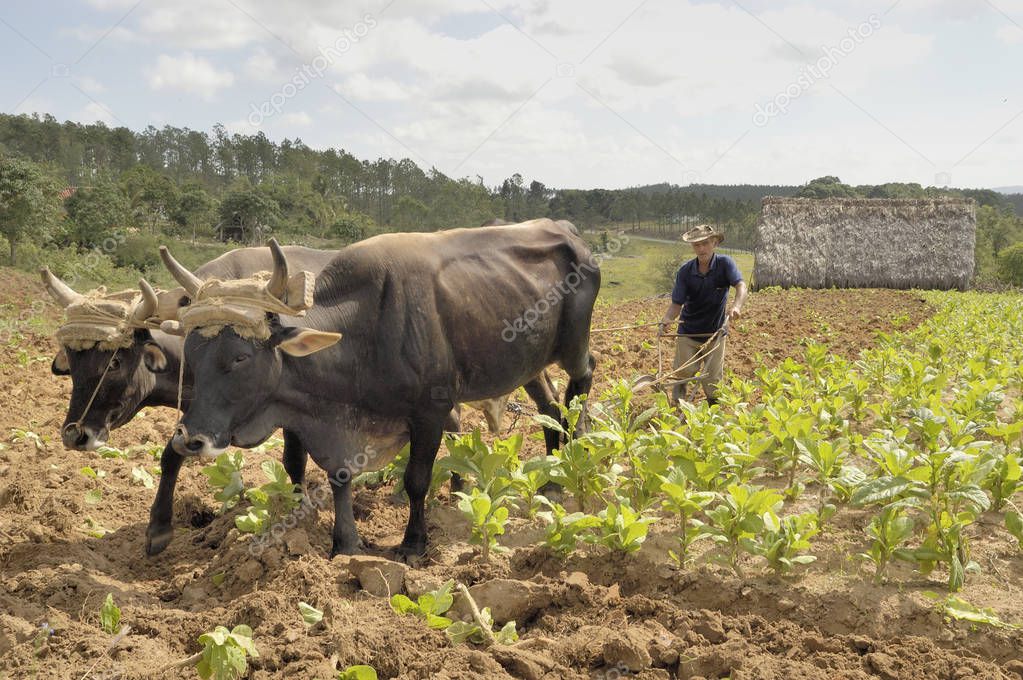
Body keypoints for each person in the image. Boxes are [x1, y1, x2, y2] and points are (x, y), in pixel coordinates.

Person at [659, 224, 747, 406]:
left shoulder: (725, 264)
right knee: (682, 373)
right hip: (688, 332)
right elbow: (677, 304)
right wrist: (667, 320)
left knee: (713, 381)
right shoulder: (685, 271)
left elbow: (741, 285)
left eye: (705, 243)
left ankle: (713, 414)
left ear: (714, 243)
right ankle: (677, 407)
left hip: (715, 334)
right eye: (697, 245)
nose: (701, 249)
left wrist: (736, 306)